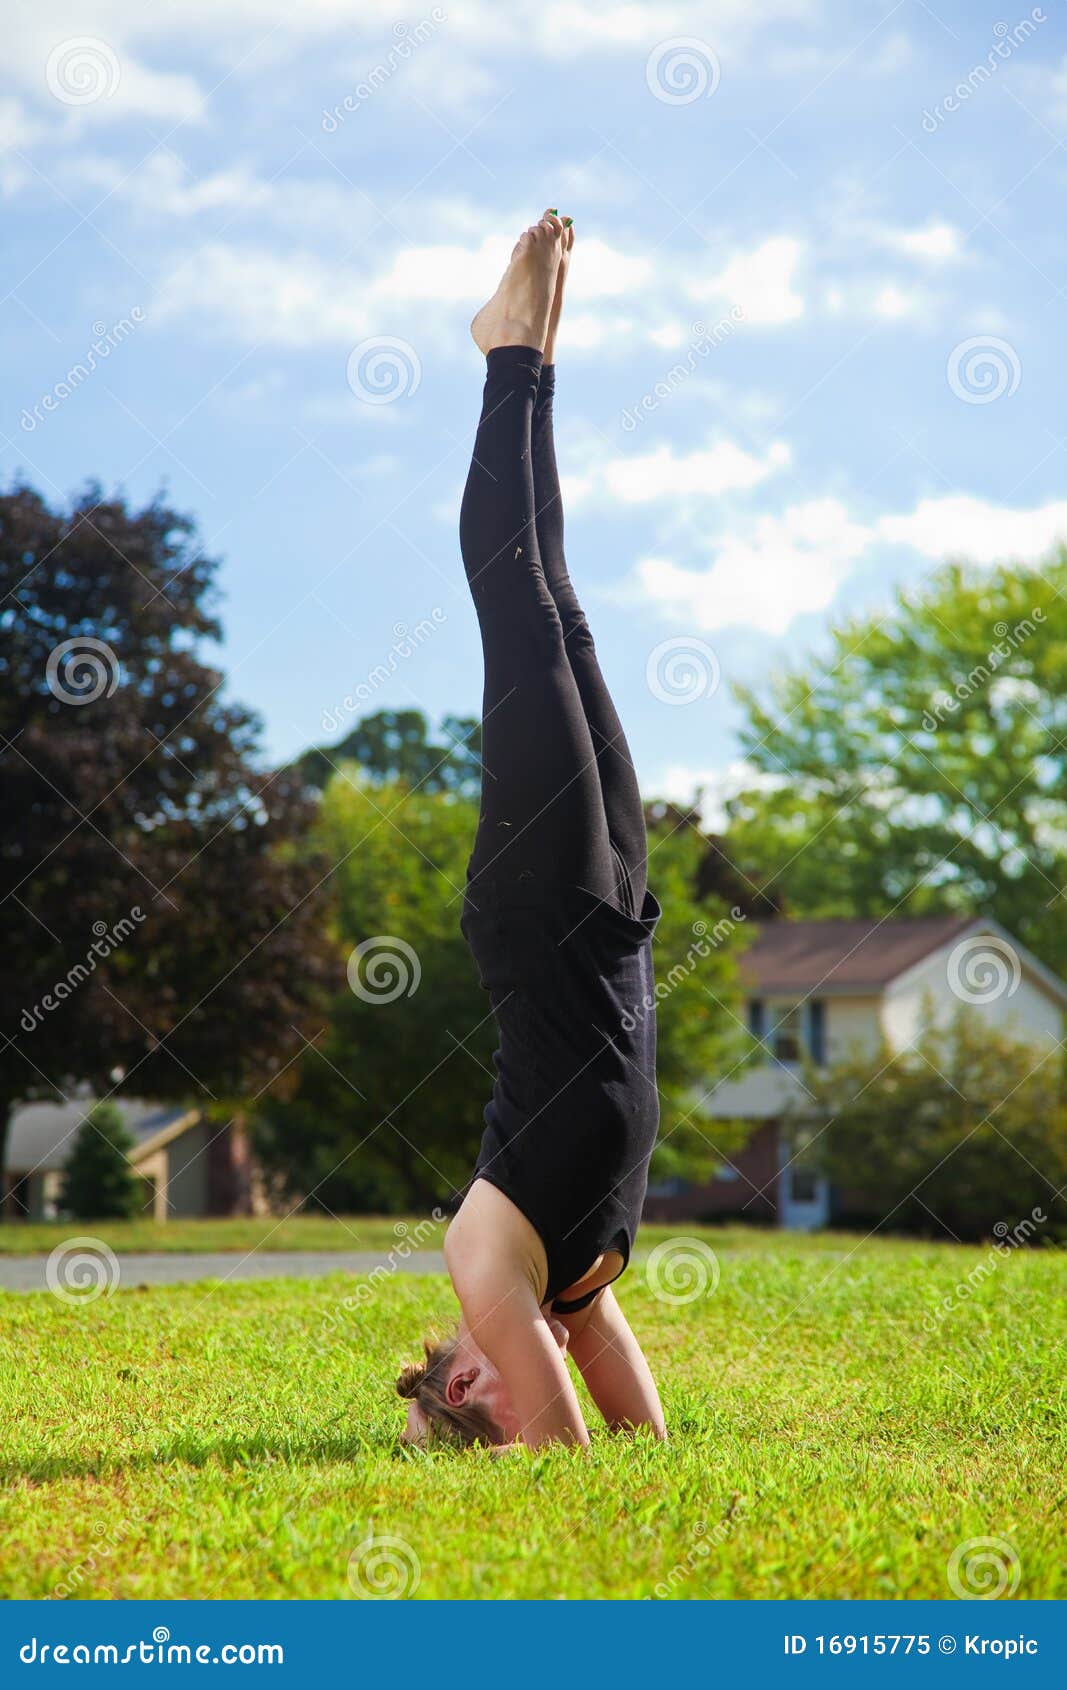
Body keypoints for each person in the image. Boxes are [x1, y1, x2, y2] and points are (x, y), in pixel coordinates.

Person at [398, 212, 666, 1449]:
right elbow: (629, 1433)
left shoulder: (483, 1251)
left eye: (489, 1384)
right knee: (561, 615)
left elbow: (558, 1452)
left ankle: (510, 354)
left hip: (536, 909)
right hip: (607, 923)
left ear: (464, 1382)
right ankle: (531, 351)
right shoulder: (576, 1285)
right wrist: (639, 1443)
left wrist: (527, 1433)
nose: (523, 1362)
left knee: (510, 596)